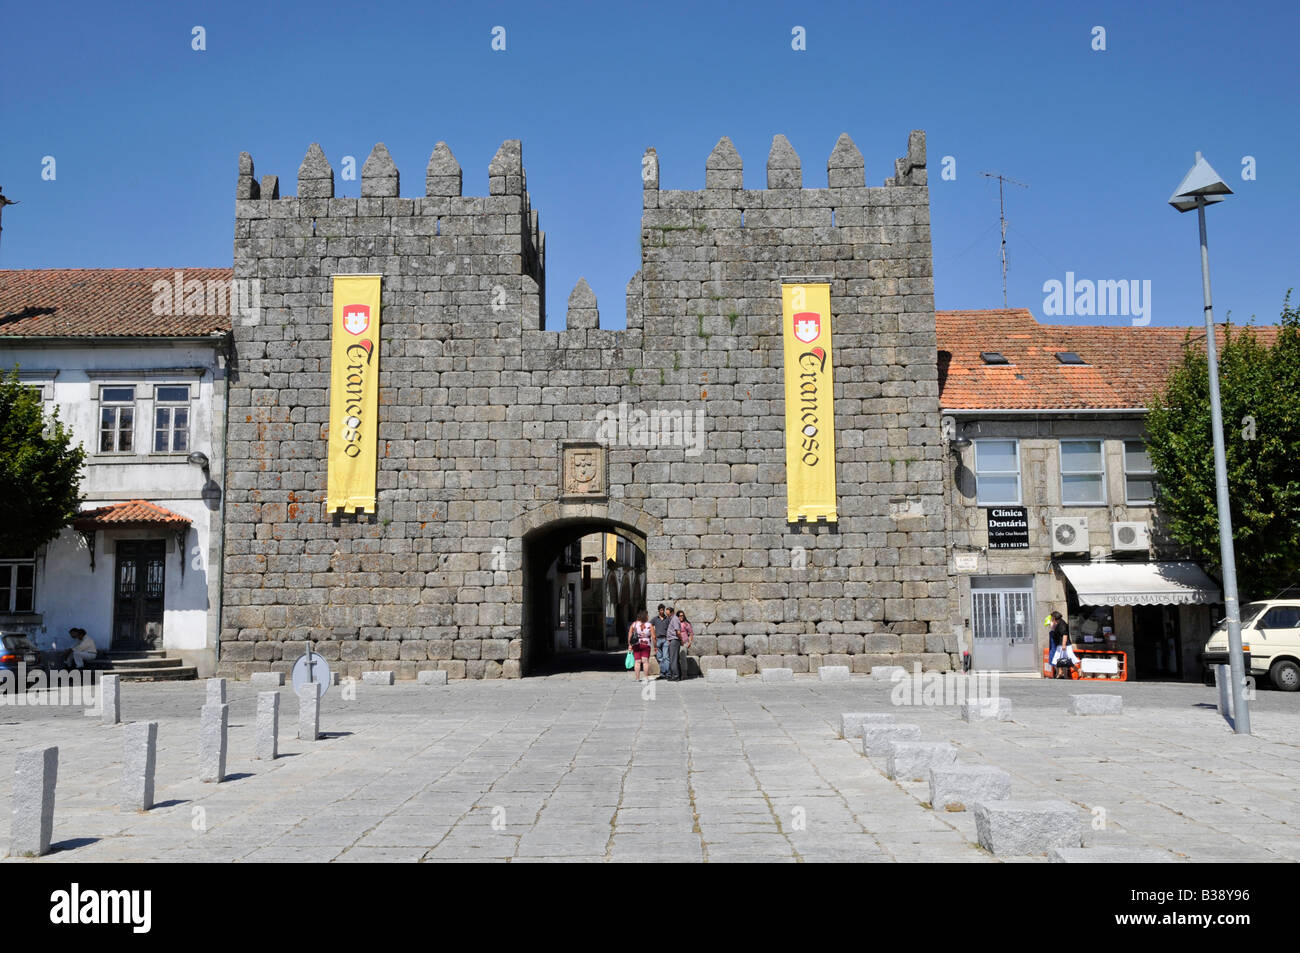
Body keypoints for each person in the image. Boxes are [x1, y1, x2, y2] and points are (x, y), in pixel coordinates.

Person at [628, 610, 655, 682]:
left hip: (636, 644)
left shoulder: (634, 624)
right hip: (646, 644)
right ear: (645, 616)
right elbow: (653, 636)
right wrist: (655, 646)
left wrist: (630, 644)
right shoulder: (649, 625)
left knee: (637, 661)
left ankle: (637, 678)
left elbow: (630, 635)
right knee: (645, 661)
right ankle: (646, 678)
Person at [671, 609, 694, 680]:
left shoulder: (686, 624)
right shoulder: (674, 623)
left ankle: (684, 674)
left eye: (682, 616)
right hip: (676, 642)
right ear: (677, 616)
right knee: (675, 658)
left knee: (683, 658)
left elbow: (691, 633)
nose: (681, 617)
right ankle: (677, 673)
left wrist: (690, 642)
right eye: (680, 616)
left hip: (684, 643)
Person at [651, 604, 672, 678]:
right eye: (661, 610)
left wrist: (669, 639)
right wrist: (653, 635)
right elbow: (650, 626)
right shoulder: (655, 619)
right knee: (660, 657)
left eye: (663, 610)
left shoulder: (667, 619)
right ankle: (663, 673)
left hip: (665, 639)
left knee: (666, 657)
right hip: (658, 639)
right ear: (658, 611)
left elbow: (670, 629)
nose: (662, 611)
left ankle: (668, 673)